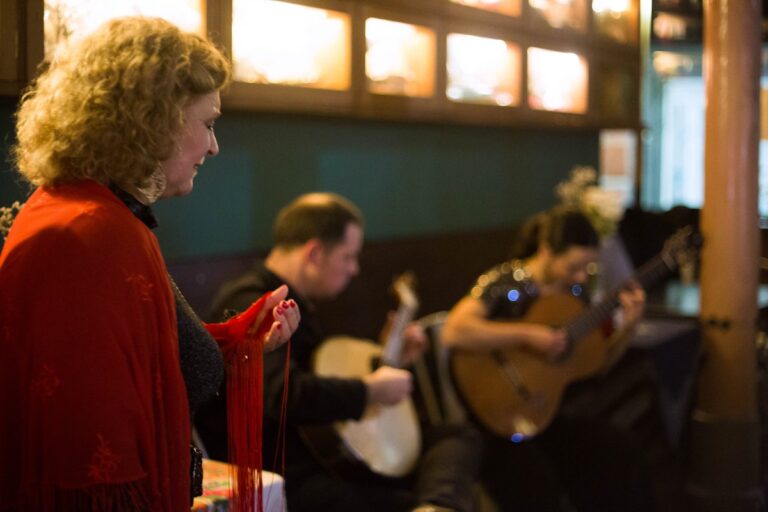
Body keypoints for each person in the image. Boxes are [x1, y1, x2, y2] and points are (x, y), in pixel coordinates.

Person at [0, 17, 299, 511]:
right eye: (207, 123)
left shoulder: (81, 211)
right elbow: (96, 474)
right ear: (153, 118)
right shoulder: (93, 232)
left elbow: (138, 355)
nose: (214, 145)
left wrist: (240, 339)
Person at [195, 192, 482, 512]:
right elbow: (278, 393)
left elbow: (313, 374)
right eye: (348, 257)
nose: (354, 269)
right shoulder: (258, 300)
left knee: (454, 437)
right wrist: (368, 391)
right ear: (315, 252)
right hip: (286, 469)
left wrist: (390, 360)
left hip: (320, 453)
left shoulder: (293, 300)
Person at [441, 205, 654, 512]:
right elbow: (455, 331)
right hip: (498, 422)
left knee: (622, 453)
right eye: (573, 267)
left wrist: (629, 326)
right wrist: (528, 335)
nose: (580, 276)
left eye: (587, 268)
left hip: (549, 414)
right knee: (538, 486)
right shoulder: (506, 282)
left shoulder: (576, 293)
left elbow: (596, 362)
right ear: (545, 251)